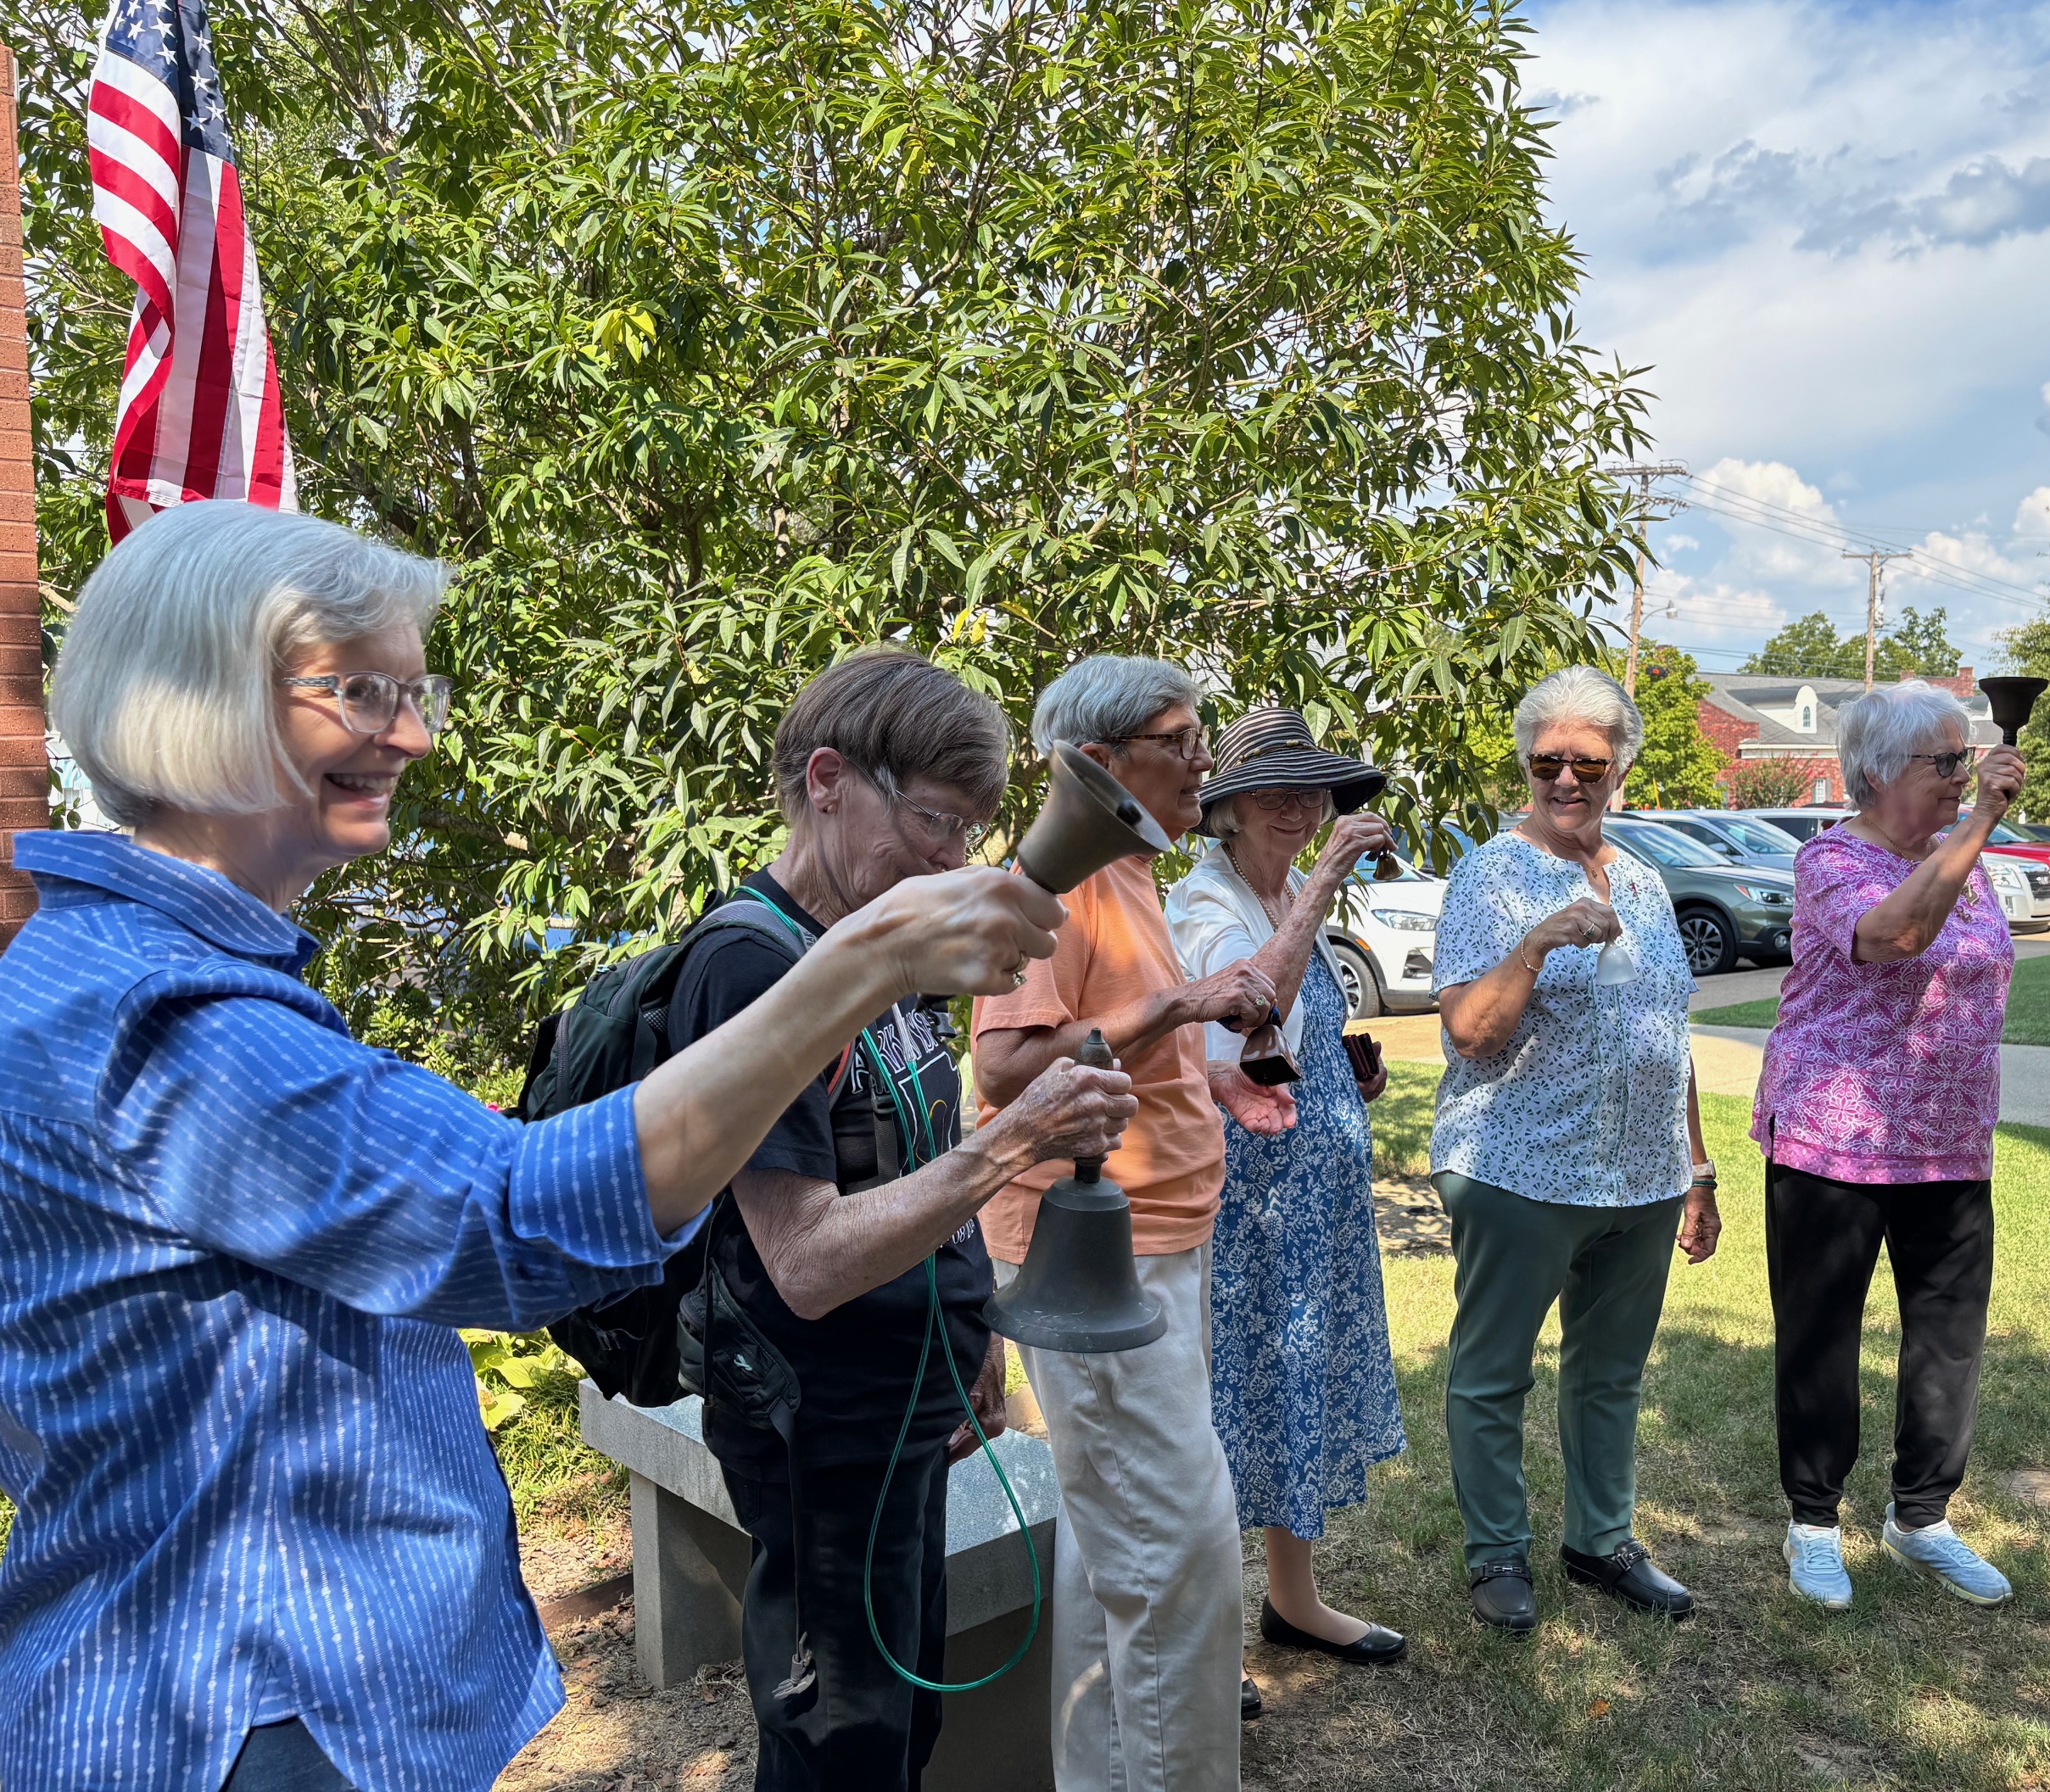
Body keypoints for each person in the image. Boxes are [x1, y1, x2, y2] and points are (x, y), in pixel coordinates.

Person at [0, 503, 1109, 1792]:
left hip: (242, 1681)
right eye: (361, 690)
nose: (412, 734)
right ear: (190, 700)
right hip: (257, 1704)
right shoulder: (170, 1019)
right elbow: (519, 1219)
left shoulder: (121, 977)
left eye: (417, 693)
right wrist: (868, 968)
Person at [669, 647, 1137, 1791]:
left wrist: (967, 1331)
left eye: (970, 829)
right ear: (828, 780)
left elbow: (916, 1148)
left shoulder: (883, 954)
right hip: (821, 1433)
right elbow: (805, 1259)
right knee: (841, 1745)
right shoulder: (750, 967)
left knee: (903, 1726)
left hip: (905, 1403)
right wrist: (1019, 1141)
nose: (952, 856)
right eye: (934, 818)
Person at [971, 655, 1277, 1792]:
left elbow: (1120, 1042)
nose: (1204, 760)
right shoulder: (1060, 879)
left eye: (1201, 737)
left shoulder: (1134, 871)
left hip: (1156, 1245)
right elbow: (1006, 1066)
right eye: (1180, 739)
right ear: (1099, 762)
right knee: (1178, 1550)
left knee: (1123, 1546)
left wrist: (1211, 1076)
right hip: (1097, 1260)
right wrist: (1185, 1001)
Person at [1428, 665, 1722, 1637]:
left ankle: (1600, 1542)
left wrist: (1695, 1170)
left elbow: (1668, 1031)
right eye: (1547, 761)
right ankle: (1496, 1554)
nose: (1565, 779)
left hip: (1641, 1177)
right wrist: (1538, 943)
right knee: (1493, 1372)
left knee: (1610, 1373)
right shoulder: (1489, 875)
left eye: (1587, 764)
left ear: (1617, 768)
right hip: (1519, 1170)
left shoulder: (1641, 878)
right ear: (1525, 764)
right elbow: (1470, 1035)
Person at [1755, 680, 2026, 1613]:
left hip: (1951, 1140)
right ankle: (1813, 1523)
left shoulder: (1965, 861)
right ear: (1875, 774)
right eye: (1943, 762)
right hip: (1836, 1136)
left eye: (1965, 759)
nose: (1960, 775)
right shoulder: (1830, 861)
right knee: (1822, 1336)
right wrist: (1980, 819)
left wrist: (1968, 832)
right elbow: (1897, 935)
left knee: (1948, 1340)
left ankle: (1921, 1518)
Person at [1163, 706, 1410, 1668]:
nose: (1300, 809)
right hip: (1244, 1197)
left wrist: (1346, 1073)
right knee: (1234, 1394)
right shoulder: (1205, 904)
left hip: (1310, 1193)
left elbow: (1290, 1038)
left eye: (1312, 791)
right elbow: (1241, 1015)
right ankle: (1209, 1638)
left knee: (1295, 1381)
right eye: (1273, 791)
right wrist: (1323, 886)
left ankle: (1293, 1600)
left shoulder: (1285, 892)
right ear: (1225, 810)